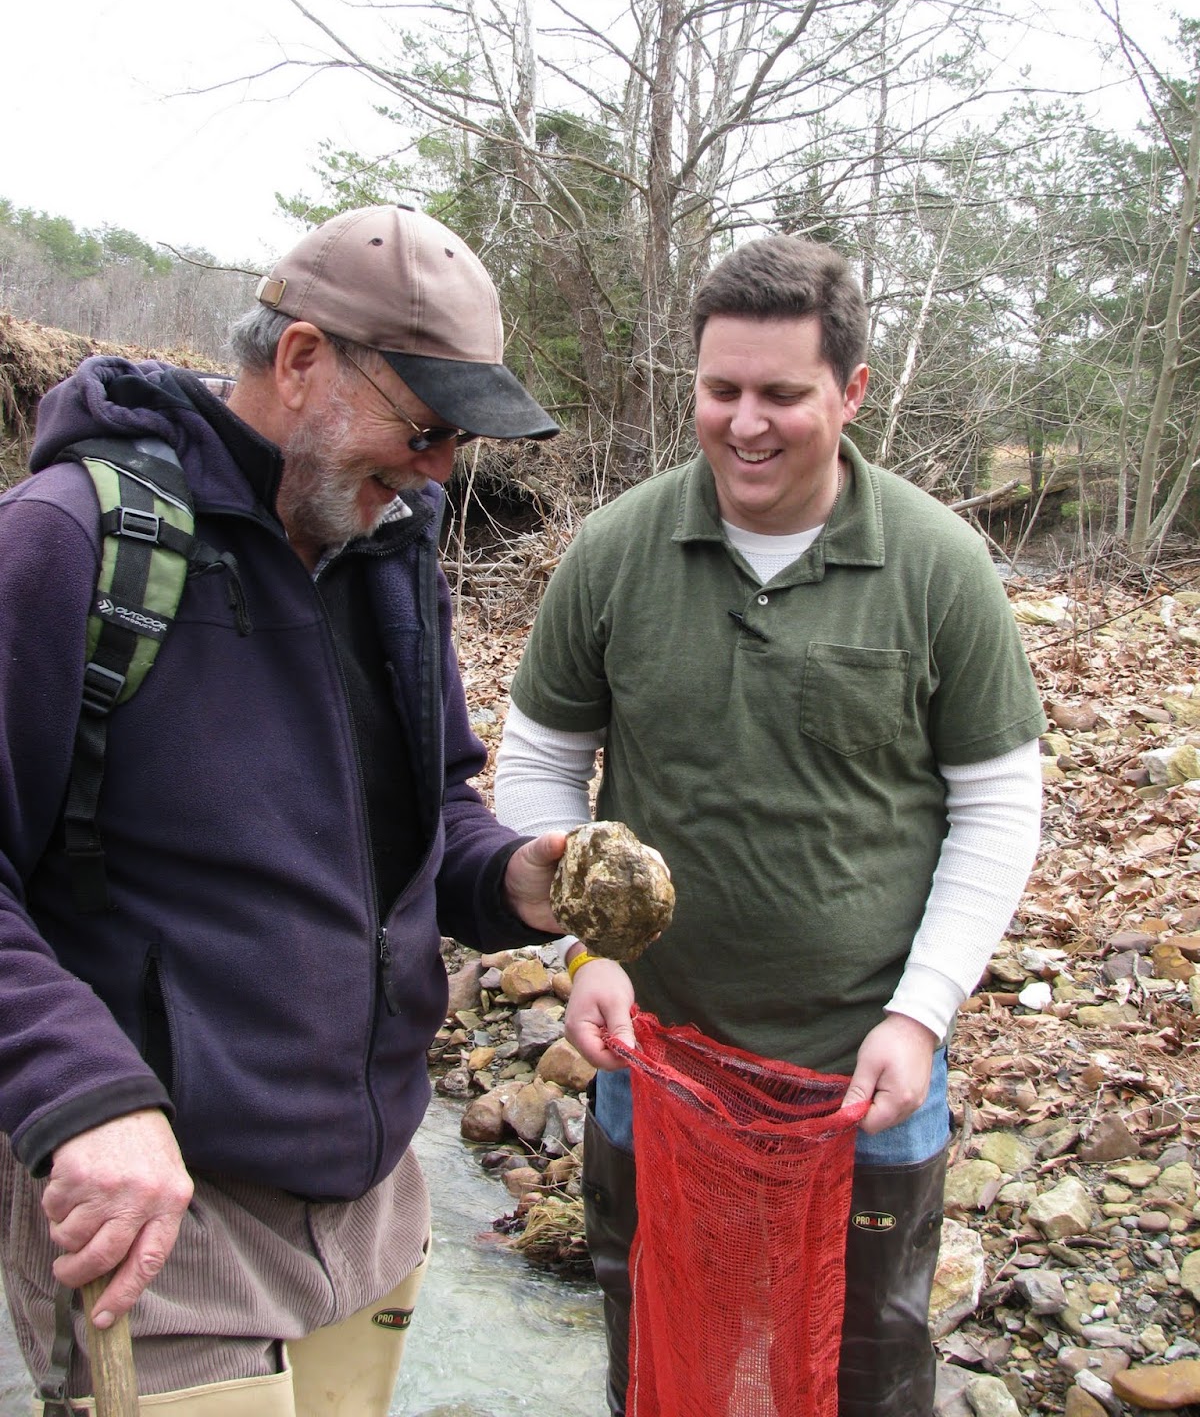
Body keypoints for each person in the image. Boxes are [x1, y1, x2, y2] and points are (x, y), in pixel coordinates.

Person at [0, 204, 568, 1416]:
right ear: (303, 359)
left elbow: (426, 812)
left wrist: (513, 877)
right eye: (426, 426)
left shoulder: (387, 543)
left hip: (373, 1202)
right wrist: (85, 1095)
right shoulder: (67, 543)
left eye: (455, 437)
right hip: (160, 1218)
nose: (439, 470)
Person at [494, 233, 1046, 1417]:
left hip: (867, 1075)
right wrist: (582, 953)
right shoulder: (617, 551)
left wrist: (922, 1010)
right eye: (721, 389)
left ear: (849, 392)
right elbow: (538, 763)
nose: (746, 422)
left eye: (783, 394)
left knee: (867, 1377)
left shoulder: (940, 566)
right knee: (661, 1360)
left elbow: (998, 807)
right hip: (657, 1063)